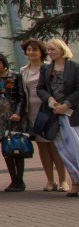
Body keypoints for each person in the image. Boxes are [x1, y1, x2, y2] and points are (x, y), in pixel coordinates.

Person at [20, 38, 67, 191]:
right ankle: (50, 180)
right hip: (32, 112)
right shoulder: (23, 70)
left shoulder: (48, 68)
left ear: (41, 52)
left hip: (48, 110)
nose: (31, 52)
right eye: (28, 50)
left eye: (34, 49)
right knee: (42, 147)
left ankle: (63, 180)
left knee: (54, 145)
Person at [37, 38, 79, 196]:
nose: (50, 52)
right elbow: (40, 88)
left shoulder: (74, 67)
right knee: (65, 151)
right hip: (54, 115)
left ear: (62, 50)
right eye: (48, 50)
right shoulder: (47, 69)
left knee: (77, 148)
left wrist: (67, 104)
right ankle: (75, 181)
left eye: (53, 49)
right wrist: (50, 100)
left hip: (73, 114)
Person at [0, 51, 26, 191]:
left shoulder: (15, 76)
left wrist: (18, 113)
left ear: (4, 63)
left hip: (12, 114)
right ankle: (13, 179)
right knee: (6, 148)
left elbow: (21, 96)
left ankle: (19, 179)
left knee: (16, 147)